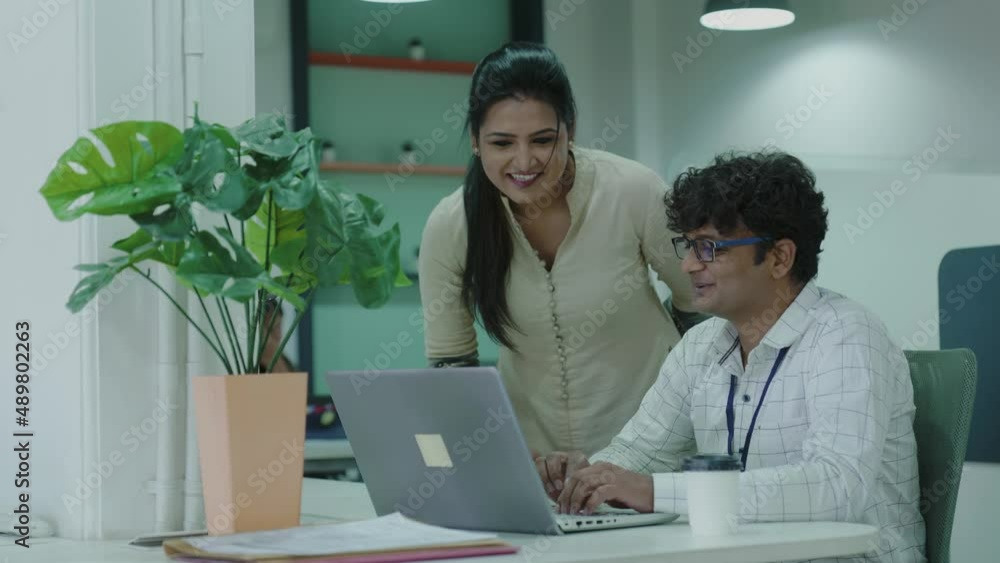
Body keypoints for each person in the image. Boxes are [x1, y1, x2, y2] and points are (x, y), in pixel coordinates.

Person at [535, 151, 925, 563]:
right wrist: (589, 477)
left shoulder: (846, 335)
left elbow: (835, 488)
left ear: (779, 258)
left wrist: (652, 491)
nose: (686, 265)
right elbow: (639, 454)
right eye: (688, 245)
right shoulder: (701, 347)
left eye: (708, 248)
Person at [418, 42, 705, 456]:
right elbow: (451, 368)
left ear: (570, 129)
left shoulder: (633, 191)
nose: (524, 161)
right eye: (501, 143)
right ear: (476, 143)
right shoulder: (451, 225)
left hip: (655, 455)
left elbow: (698, 307)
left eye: (542, 140)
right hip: (538, 469)